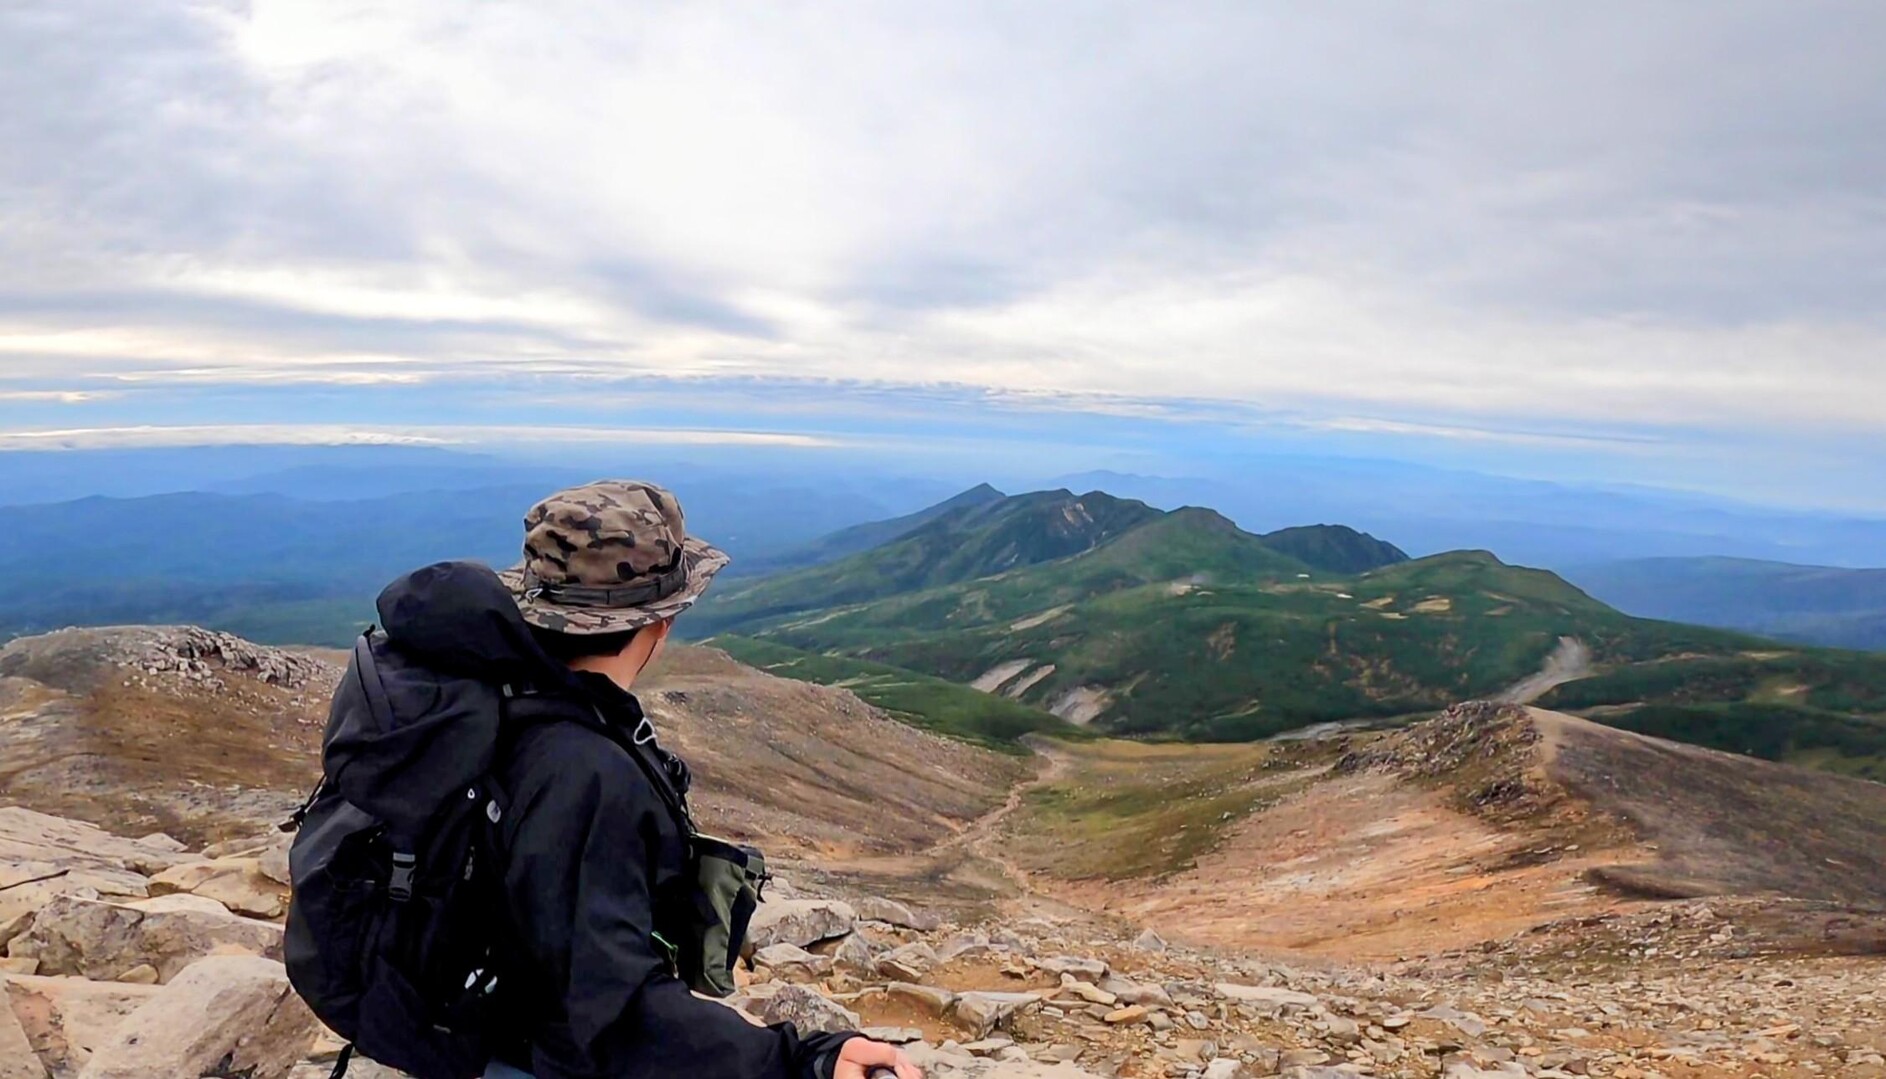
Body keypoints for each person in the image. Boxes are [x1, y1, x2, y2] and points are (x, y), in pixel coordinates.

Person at [370, 480, 921, 1079]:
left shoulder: (503, 703)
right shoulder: (583, 772)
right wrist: (798, 1061)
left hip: (491, 1026)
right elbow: (617, 1013)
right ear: (658, 626)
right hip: (531, 1060)